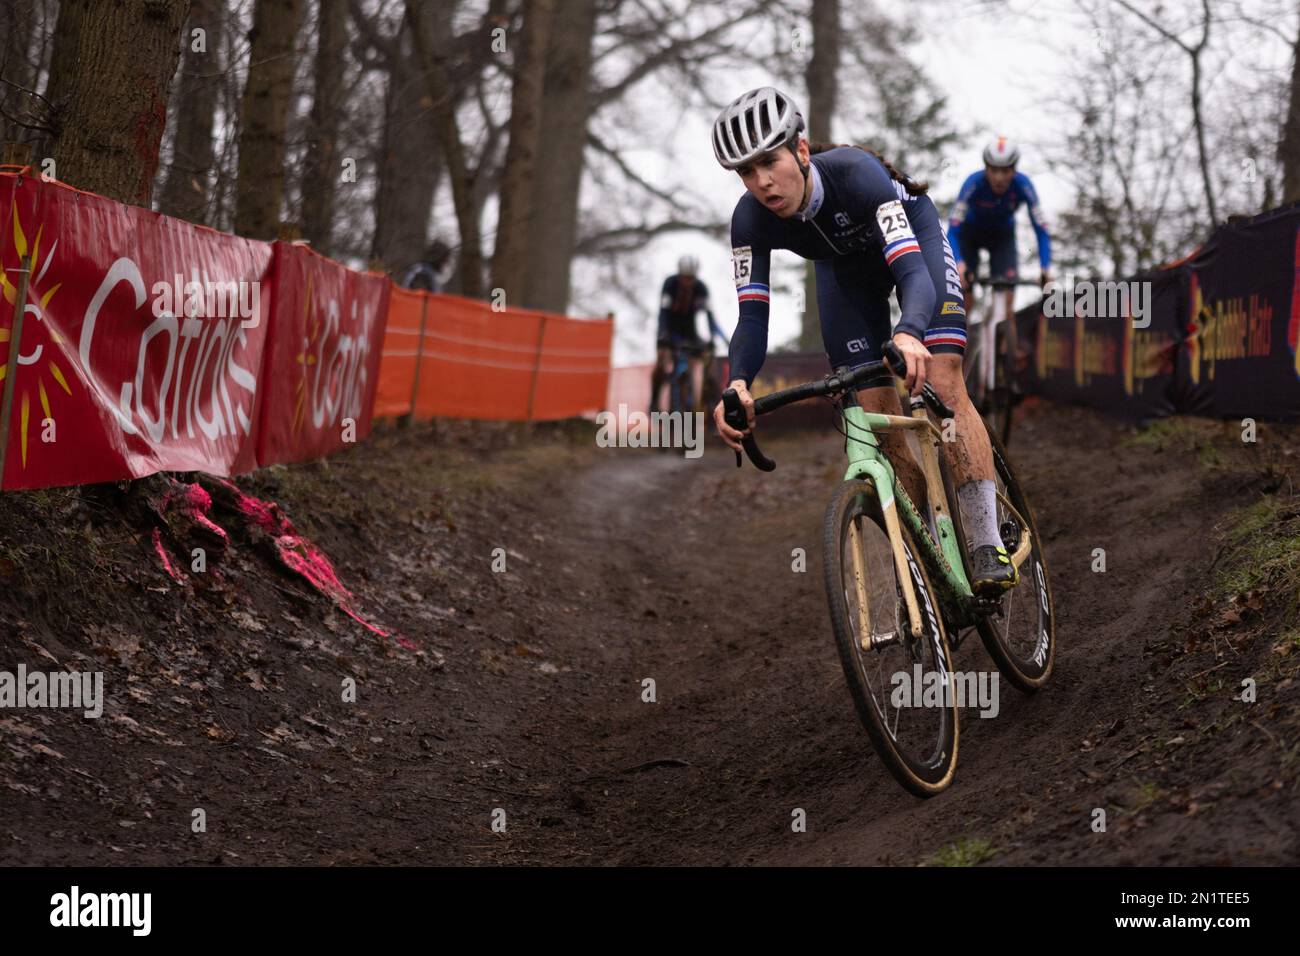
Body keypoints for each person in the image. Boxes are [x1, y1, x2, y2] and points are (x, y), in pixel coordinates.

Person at [710, 86, 1017, 593]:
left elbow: (913, 273)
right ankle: (929, 561)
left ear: (801, 152)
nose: (762, 182)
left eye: (770, 161)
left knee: (941, 378)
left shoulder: (857, 175)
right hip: (844, 274)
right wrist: (738, 382)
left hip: (911, 245)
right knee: (877, 422)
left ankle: (986, 541)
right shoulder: (749, 220)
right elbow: (751, 318)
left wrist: (911, 332)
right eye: (746, 171)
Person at [947, 137, 1052, 369]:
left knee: (1006, 301)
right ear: (986, 168)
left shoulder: (1024, 185)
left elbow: (1042, 229)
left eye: (1006, 171)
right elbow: (953, 229)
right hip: (970, 237)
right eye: (994, 170)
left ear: (1014, 169)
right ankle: (957, 355)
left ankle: (1008, 356)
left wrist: (1046, 267)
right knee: (965, 296)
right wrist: (960, 264)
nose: (1000, 177)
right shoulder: (973, 183)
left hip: (1002, 238)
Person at [651, 255, 728, 413]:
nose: (687, 281)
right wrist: (662, 335)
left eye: (691, 278)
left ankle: (712, 406)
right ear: (679, 275)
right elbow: (663, 313)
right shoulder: (670, 284)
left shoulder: (701, 288)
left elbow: (709, 316)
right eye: (684, 278)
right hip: (669, 331)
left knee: (709, 363)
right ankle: (654, 400)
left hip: (690, 333)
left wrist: (714, 338)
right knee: (662, 361)